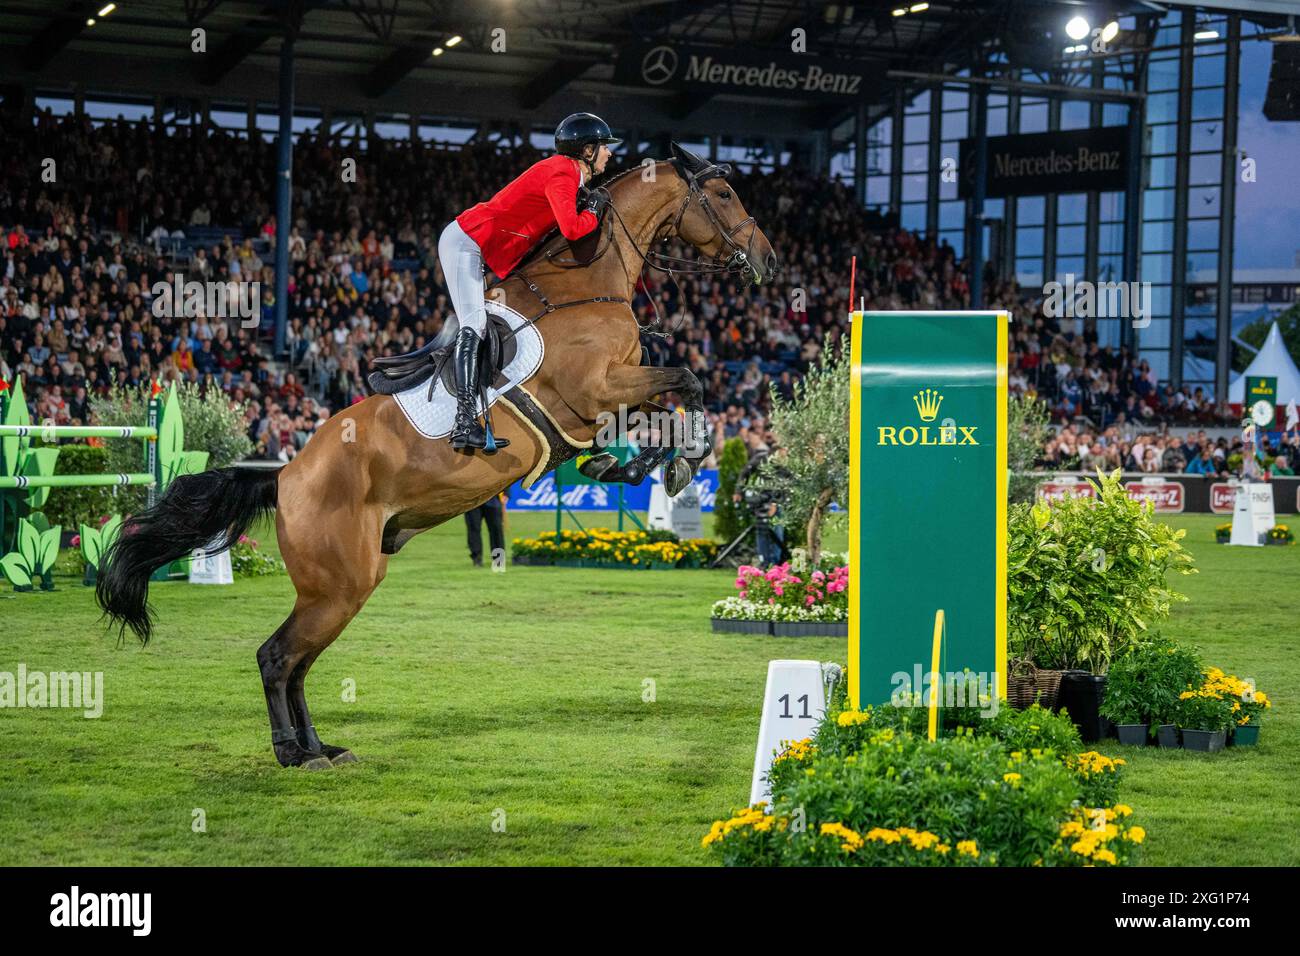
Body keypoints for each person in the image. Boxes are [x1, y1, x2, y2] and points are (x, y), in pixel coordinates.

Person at [441, 112, 621, 452]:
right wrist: (593, 211)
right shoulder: (562, 172)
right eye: (604, 147)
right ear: (587, 150)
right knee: (474, 324)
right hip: (467, 241)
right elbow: (572, 229)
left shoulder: (570, 176)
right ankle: (463, 422)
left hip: (485, 247)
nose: (609, 153)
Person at [464, 494, 505, 567]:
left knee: (496, 530)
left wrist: (506, 493)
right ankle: (477, 559)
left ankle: (498, 560)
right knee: (473, 529)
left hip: (493, 499)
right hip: (472, 500)